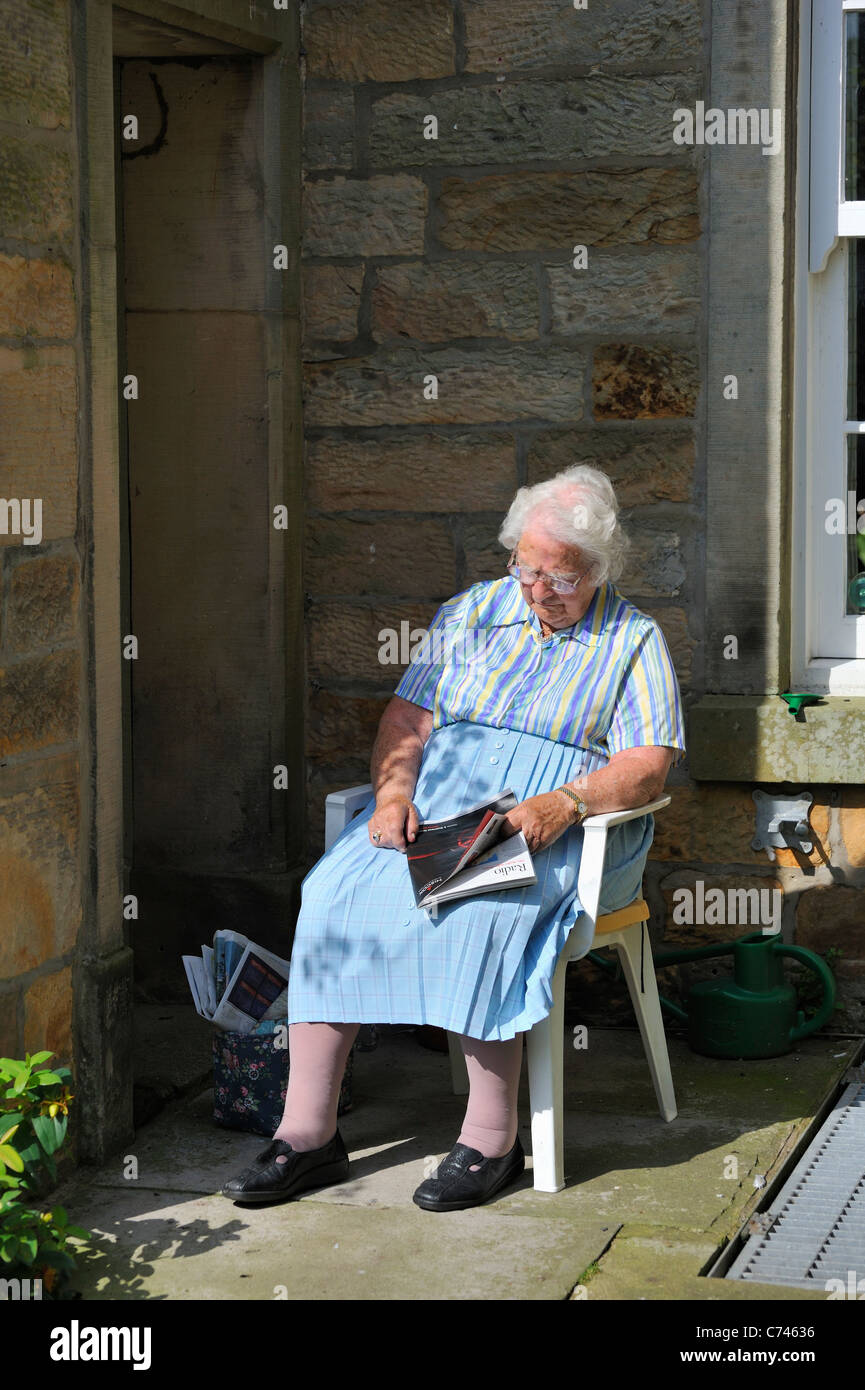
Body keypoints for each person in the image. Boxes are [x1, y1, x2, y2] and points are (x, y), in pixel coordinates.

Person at [221, 464, 686, 1212]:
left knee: (480, 912)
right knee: (332, 896)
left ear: (597, 572)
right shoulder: (470, 612)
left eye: (559, 579)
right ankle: (306, 1134)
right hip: (442, 811)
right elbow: (408, 721)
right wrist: (394, 792)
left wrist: (565, 801)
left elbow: (645, 765)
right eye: (526, 568)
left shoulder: (632, 639)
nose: (537, 590)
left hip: (559, 826)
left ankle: (490, 1139)